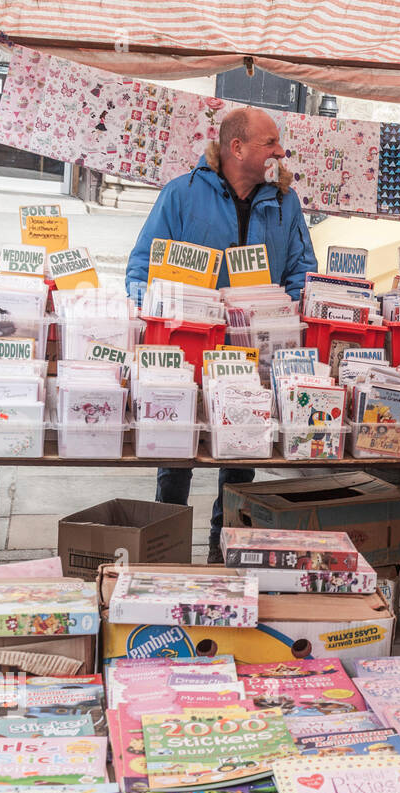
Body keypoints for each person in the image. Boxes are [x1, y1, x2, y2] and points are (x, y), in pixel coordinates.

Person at [126, 107, 317, 563]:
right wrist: (160, 309)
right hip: (189, 352)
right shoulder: (181, 195)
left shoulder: (285, 201)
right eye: (270, 142)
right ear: (237, 148)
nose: (280, 151)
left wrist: (284, 313)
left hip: (253, 358)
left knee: (241, 456)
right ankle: (164, 551)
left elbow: (302, 270)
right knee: (177, 455)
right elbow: (140, 270)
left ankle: (225, 548)